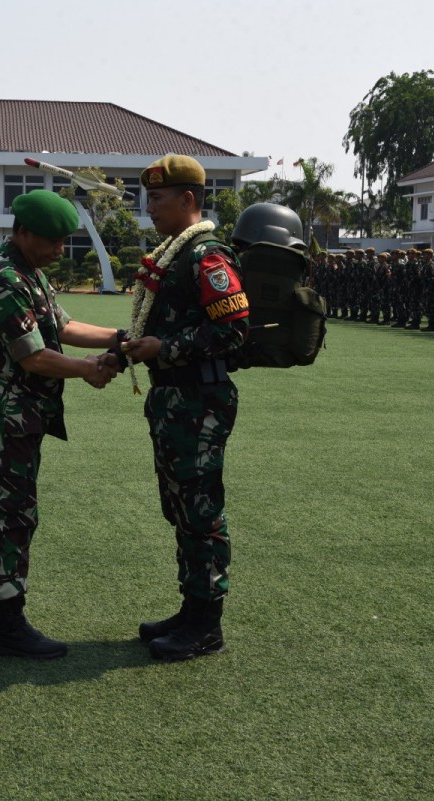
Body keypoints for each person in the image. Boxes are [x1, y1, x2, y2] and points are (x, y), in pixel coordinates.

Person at [0, 189, 123, 659]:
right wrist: (90, 368)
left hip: (14, 414)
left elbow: (63, 327)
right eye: (51, 240)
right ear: (22, 232)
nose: (60, 250)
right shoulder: (6, 278)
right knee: (10, 516)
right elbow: (32, 357)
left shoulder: (30, 272)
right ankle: (7, 626)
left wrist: (123, 338)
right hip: (3, 416)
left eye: (64, 241)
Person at [123, 155, 248, 661]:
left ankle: (206, 623)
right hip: (175, 398)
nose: (149, 207)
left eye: (157, 198)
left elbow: (233, 330)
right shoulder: (176, 254)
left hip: (200, 398)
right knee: (180, 506)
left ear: (188, 200)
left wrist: (164, 349)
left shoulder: (207, 256)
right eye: (148, 197)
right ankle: (191, 606)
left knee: (201, 510)